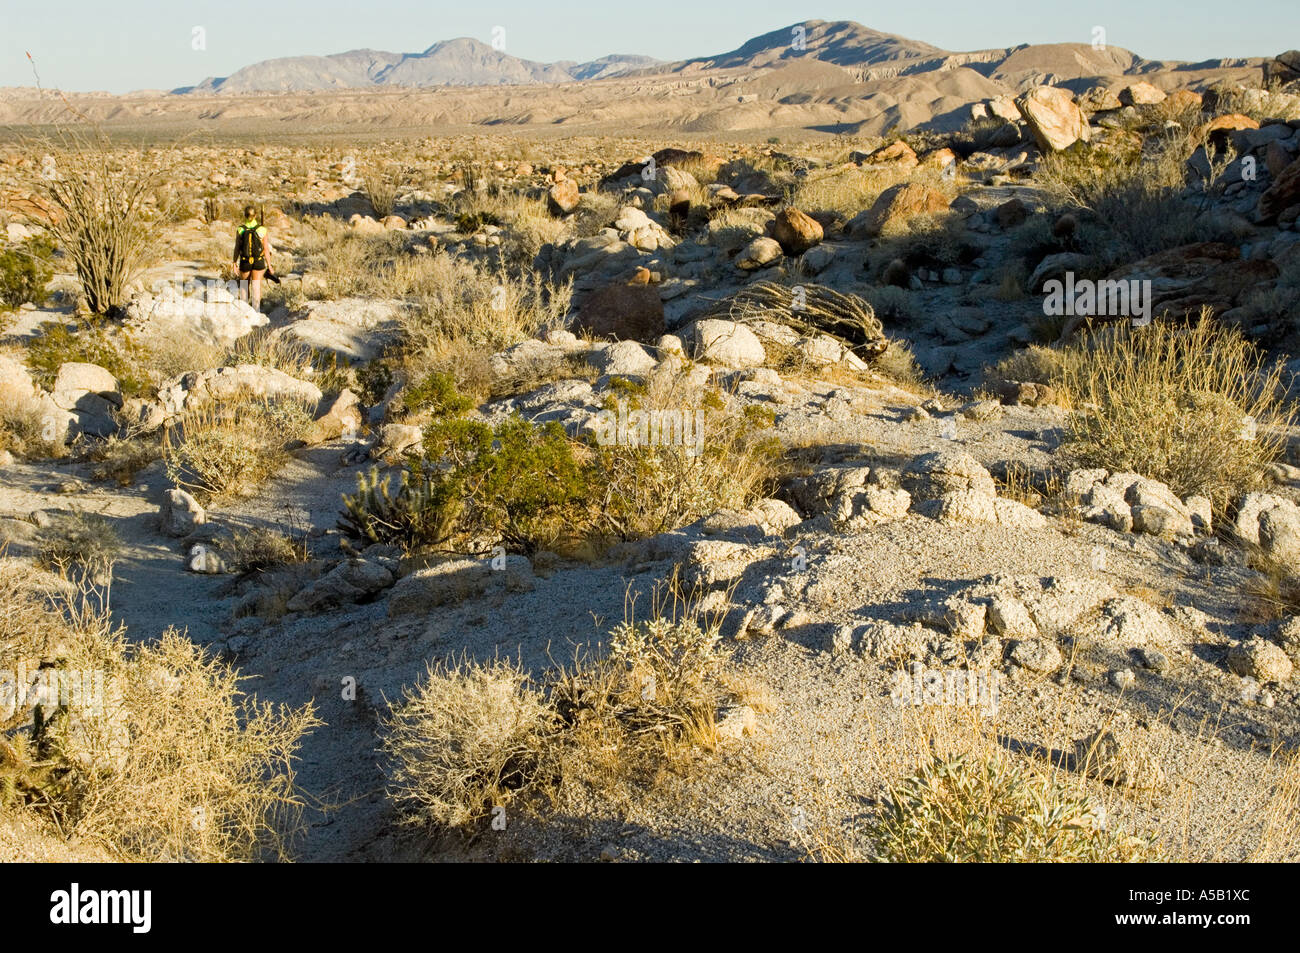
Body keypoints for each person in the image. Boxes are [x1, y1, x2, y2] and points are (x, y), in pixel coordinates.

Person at [233, 205, 272, 311]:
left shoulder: (240, 229)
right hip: (258, 262)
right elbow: (266, 249)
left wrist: (234, 262)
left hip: (245, 261)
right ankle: (256, 311)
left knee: (244, 287)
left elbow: (237, 248)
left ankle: (244, 311)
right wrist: (269, 265)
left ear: (245, 215)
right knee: (256, 287)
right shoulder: (262, 230)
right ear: (255, 215)